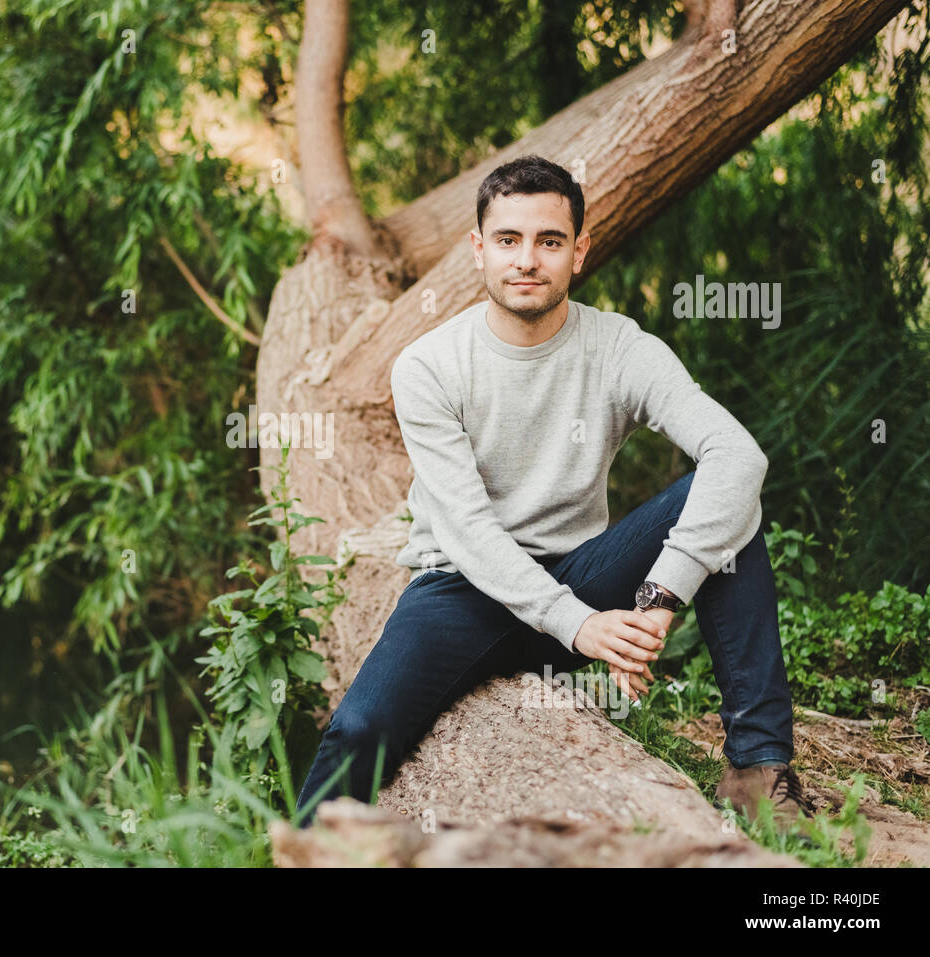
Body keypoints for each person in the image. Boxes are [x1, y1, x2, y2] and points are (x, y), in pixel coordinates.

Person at [292, 154, 814, 835]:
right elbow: (470, 532)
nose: (527, 260)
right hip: (462, 592)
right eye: (508, 240)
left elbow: (738, 453)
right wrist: (578, 624)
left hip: (584, 572)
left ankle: (757, 768)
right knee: (360, 728)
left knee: (730, 497)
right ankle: (299, 847)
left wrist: (658, 599)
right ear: (479, 249)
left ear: (580, 250)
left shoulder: (618, 346)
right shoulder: (428, 366)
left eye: (550, 240)